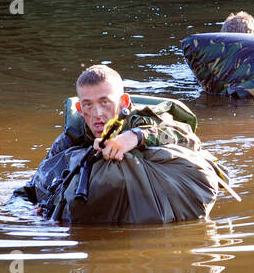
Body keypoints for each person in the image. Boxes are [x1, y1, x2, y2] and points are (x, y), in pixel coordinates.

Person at [12, 64, 205, 215]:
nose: (97, 114)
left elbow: (187, 136)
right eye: (88, 105)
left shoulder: (142, 120)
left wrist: (135, 137)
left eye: (105, 102)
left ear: (124, 102)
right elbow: (29, 188)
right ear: (79, 109)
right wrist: (25, 211)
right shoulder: (72, 138)